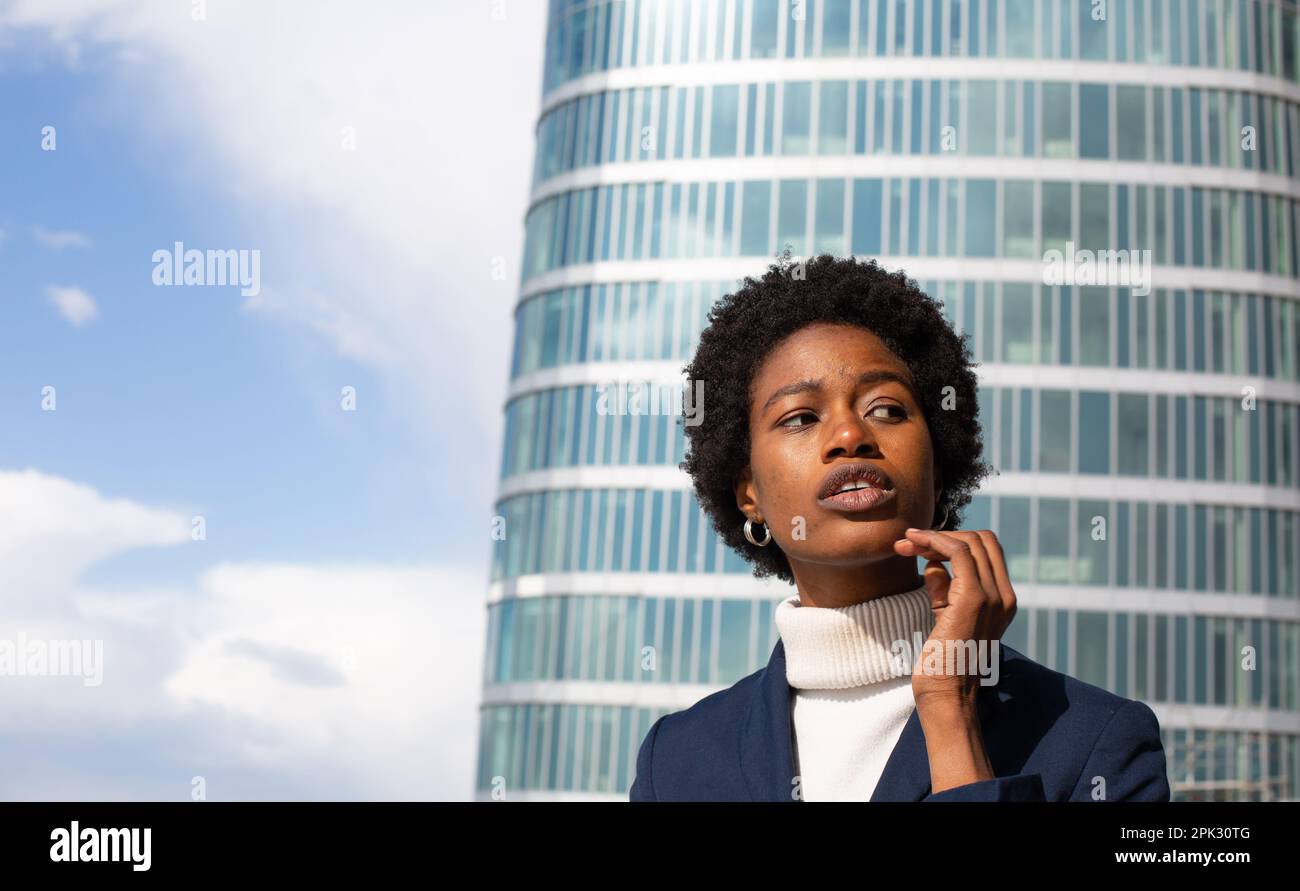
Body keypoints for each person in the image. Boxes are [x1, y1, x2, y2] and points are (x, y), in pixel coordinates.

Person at [628, 253, 1170, 802]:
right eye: (800, 417)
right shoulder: (675, 761)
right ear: (750, 496)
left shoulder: (1095, 741)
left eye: (885, 408)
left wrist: (950, 709)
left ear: (938, 471)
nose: (848, 435)